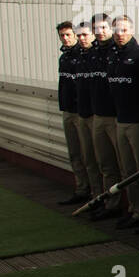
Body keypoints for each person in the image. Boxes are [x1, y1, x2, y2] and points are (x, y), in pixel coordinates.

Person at [109, 15, 139, 232]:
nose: (120, 34)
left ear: (131, 30)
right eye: (117, 31)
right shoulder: (113, 56)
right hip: (121, 121)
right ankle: (136, 210)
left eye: (124, 30)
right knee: (128, 170)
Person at [87, 14, 122, 219]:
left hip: (117, 117)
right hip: (97, 115)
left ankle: (132, 207)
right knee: (105, 164)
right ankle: (109, 203)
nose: (99, 32)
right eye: (96, 29)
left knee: (124, 166)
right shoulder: (93, 53)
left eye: (103, 28)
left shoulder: (117, 52)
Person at [55, 21, 90, 206]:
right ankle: (81, 188)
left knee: (88, 154)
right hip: (67, 110)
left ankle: (93, 191)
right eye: (62, 35)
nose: (65, 38)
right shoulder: (64, 57)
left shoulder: (83, 55)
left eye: (69, 34)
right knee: (74, 154)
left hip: (82, 113)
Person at [72, 22, 103, 205]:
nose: (82, 39)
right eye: (79, 35)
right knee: (87, 158)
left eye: (86, 35)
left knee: (102, 162)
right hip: (82, 114)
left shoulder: (98, 57)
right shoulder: (79, 57)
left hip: (98, 115)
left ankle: (106, 200)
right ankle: (94, 196)